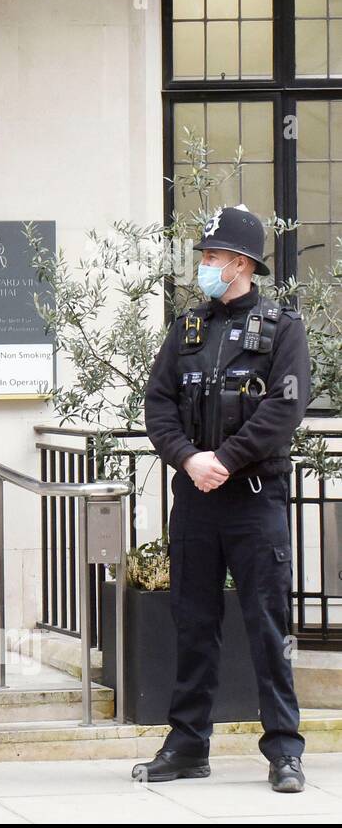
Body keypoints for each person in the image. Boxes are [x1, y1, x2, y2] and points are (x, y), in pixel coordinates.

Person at [138, 204, 311, 793]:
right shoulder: (186, 329)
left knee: (267, 624)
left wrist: (226, 461)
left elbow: (284, 409)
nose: (204, 267)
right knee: (193, 621)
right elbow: (158, 403)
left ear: (241, 263)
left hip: (254, 499)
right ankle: (187, 745)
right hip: (195, 499)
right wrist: (189, 459)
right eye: (203, 256)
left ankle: (284, 750)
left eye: (212, 257)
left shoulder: (282, 328)